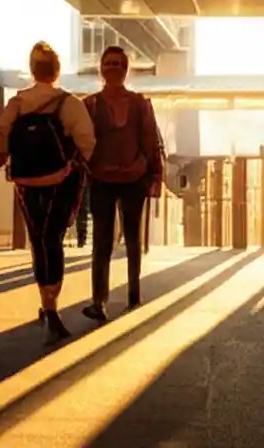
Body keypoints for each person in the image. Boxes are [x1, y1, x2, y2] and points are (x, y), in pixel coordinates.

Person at [0, 42, 96, 343]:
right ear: (57, 71)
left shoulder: (17, 104)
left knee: (37, 241)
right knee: (52, 239)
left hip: (26, 183)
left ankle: (46, 303)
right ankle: (52, 305)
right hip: (61, 181)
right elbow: (88, 145)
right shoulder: (69, 103)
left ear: (32, 70)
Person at [82, 46, 163, 322]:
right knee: (101, 242)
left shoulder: (140, 103)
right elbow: (82, 143)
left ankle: (134, 294)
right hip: (101, 179)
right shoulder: (89, 105)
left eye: (118, 63)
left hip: (133, 177)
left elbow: (151, 141)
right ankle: (98, 301)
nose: (113, 68)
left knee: (132, 240)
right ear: (101, 69)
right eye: (108, 64)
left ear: (126, 68)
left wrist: (155, 177)